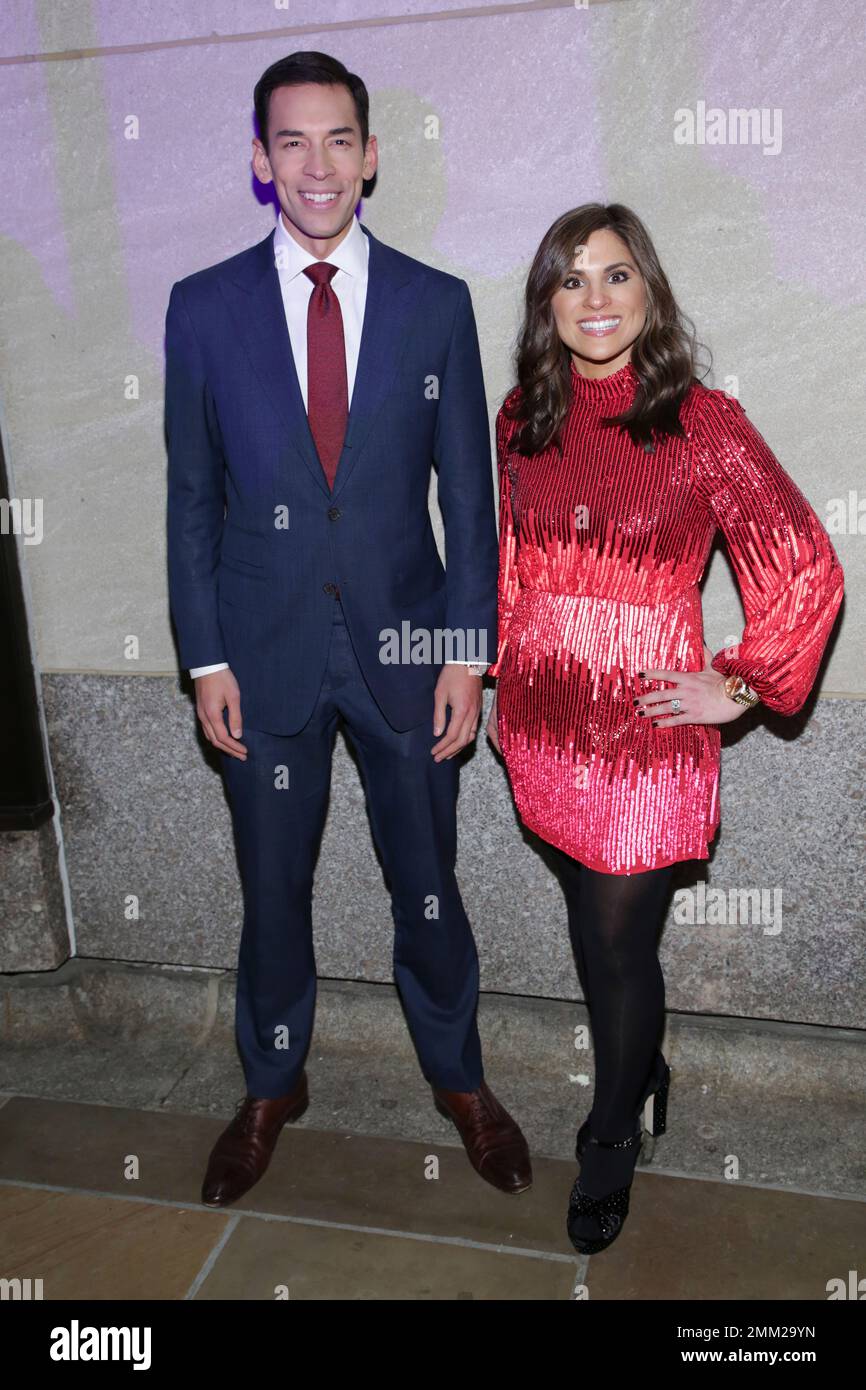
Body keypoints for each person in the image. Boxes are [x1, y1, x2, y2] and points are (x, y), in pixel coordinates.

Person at [165, 51, 532, 1207]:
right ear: (260, 163)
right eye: (291, 142)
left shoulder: (435, 303)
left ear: (370, 157)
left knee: (426, 880)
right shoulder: (203, 306)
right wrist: (204, 656)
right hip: (259, 656)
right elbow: (190, 498)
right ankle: (272, 1083)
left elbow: (468, 500)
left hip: (410, 652)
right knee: (272, 889)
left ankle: (458, 1078)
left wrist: (468, 653)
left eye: (337, 141)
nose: (316, 164)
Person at [485, 203, 844, 1254]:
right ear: (545, 304)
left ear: (649, 293)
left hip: (643, 729)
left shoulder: (701, 422)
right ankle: (639, 1062)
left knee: (612, 932)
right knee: (598, 934)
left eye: (614, 276)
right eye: (569, 280)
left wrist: (735, 683)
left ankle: (610, 1134)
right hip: (547, 718)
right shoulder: (521, 419)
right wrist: (507, 685)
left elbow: (806, 565)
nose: (593, 300)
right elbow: (510, 566)